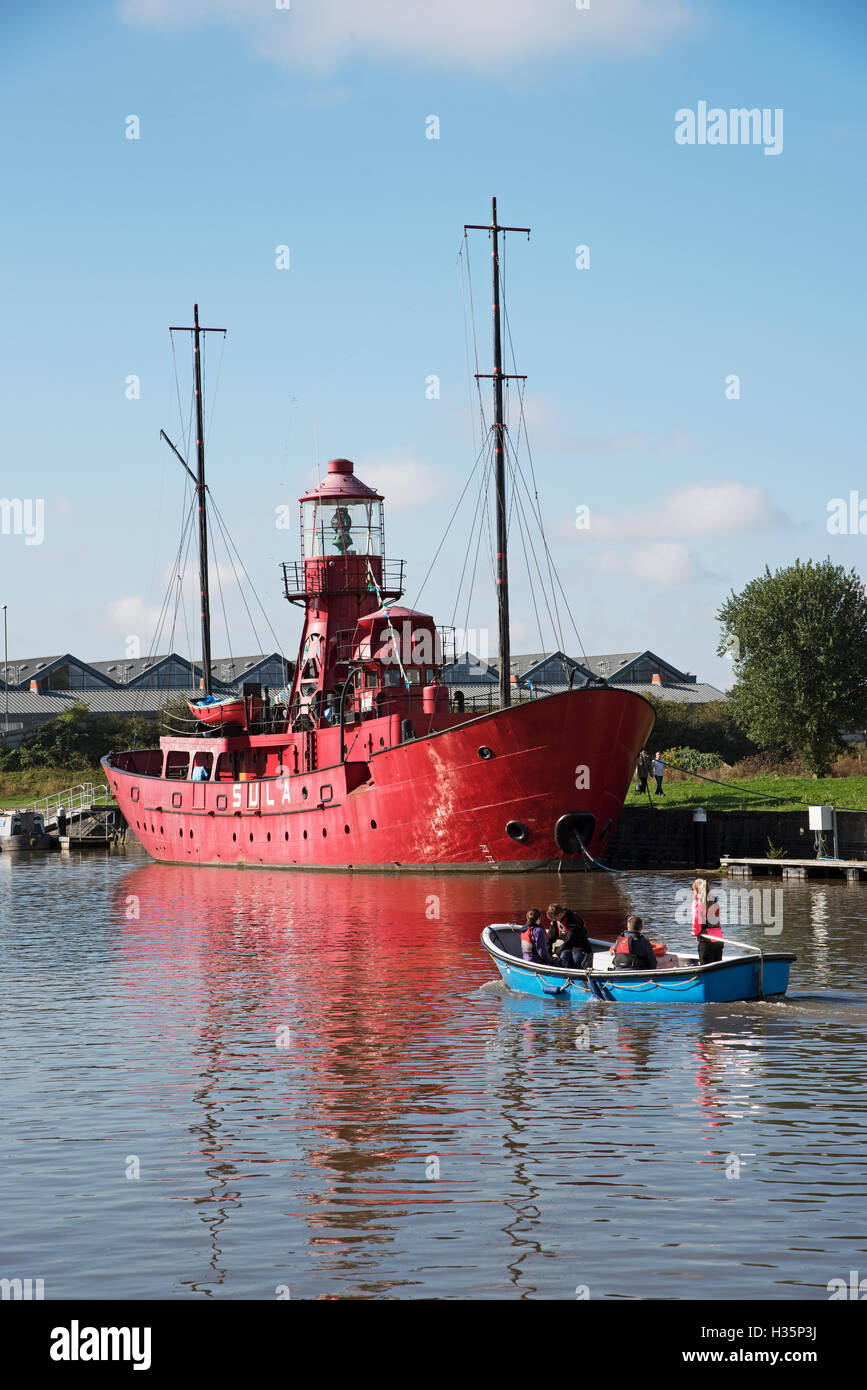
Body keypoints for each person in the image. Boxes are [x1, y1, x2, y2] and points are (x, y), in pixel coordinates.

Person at [546, 903, 593, 968]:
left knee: (576, 963)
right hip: (566, 947)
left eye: (556, 919)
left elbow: (571, 939)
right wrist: (548, 953)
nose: (556, 921)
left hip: (579, 946)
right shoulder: (555, 921)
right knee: (563, 961)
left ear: (560, 914)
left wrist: (557, 953)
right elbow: (550, 938)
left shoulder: (573, 920)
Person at [692, 878, 724, 964]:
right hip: (719, 939)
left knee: (706, 967)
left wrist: (695, 932)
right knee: (717, 967)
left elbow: (696, 920)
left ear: (696, 891)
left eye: (693, 890)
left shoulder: (698, 903)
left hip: (707, 940)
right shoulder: (715, 902)